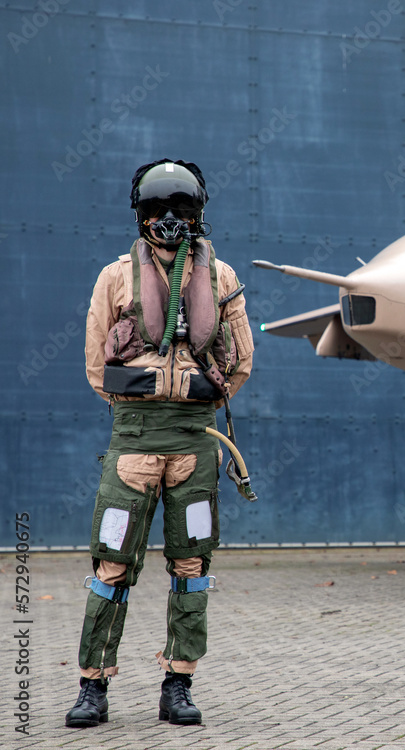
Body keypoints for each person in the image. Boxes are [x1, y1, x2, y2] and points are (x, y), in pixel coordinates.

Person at [65, 159, 254, 727]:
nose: (169, 221)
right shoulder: (115, 278)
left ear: (197, 215)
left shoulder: (221, 280)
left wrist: (189, 396)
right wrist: (141, 407)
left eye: (181, 211)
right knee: (111, 564)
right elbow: (98, 363)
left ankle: (179, 683)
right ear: (141, 214)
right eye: (156, 210)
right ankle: (92, 687)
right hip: (133, 446)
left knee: (191, 565)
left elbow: (240, 360)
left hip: (193, 445)